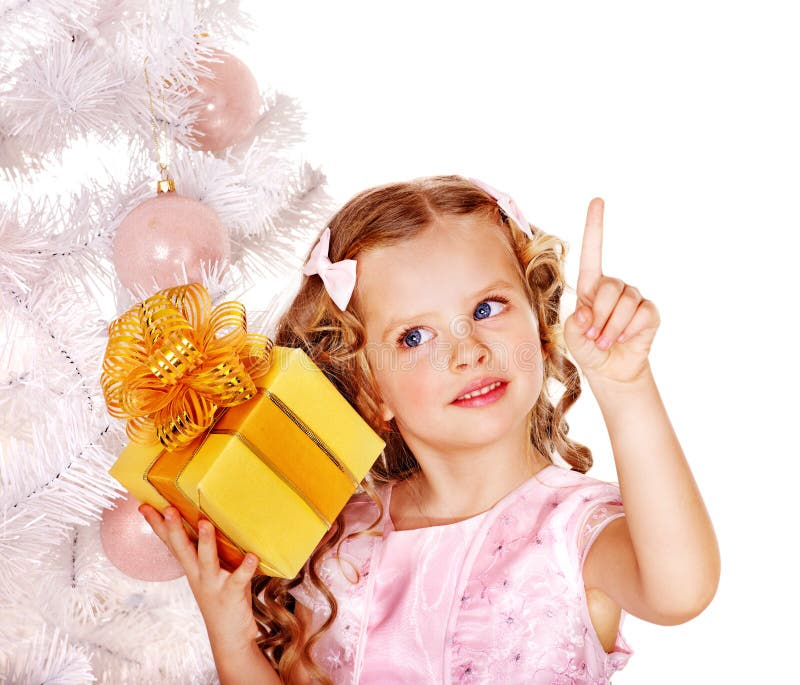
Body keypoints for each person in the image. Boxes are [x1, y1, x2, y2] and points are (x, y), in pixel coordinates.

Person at [139, 175, 720, 684]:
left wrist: (625, 385)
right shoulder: (342, 542)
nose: (467, 351)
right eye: (414, 337)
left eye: (487, 308)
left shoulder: (573, 530)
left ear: (541, 328)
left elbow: (680, 590)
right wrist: (233, 636)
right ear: (371, 390)